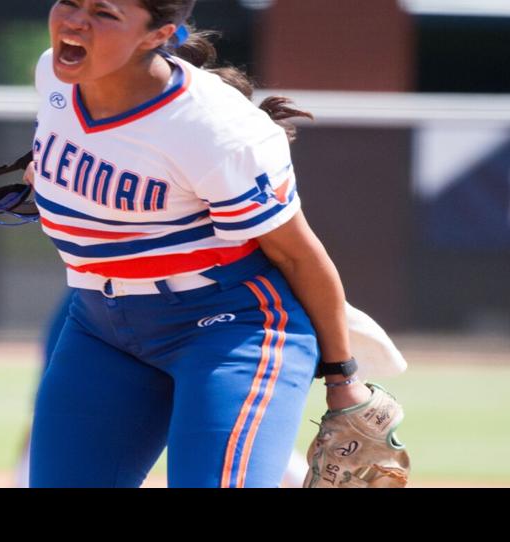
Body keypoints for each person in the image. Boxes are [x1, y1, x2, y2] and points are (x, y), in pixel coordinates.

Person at [23, 0, 380, 488]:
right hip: (100, 326)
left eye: (104, 12)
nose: (75, 20)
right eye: (70, 2)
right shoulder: (56, 77)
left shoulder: (215, 128)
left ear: (157, 34)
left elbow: (296, 254)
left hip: (229, 329)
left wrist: (343, 378)